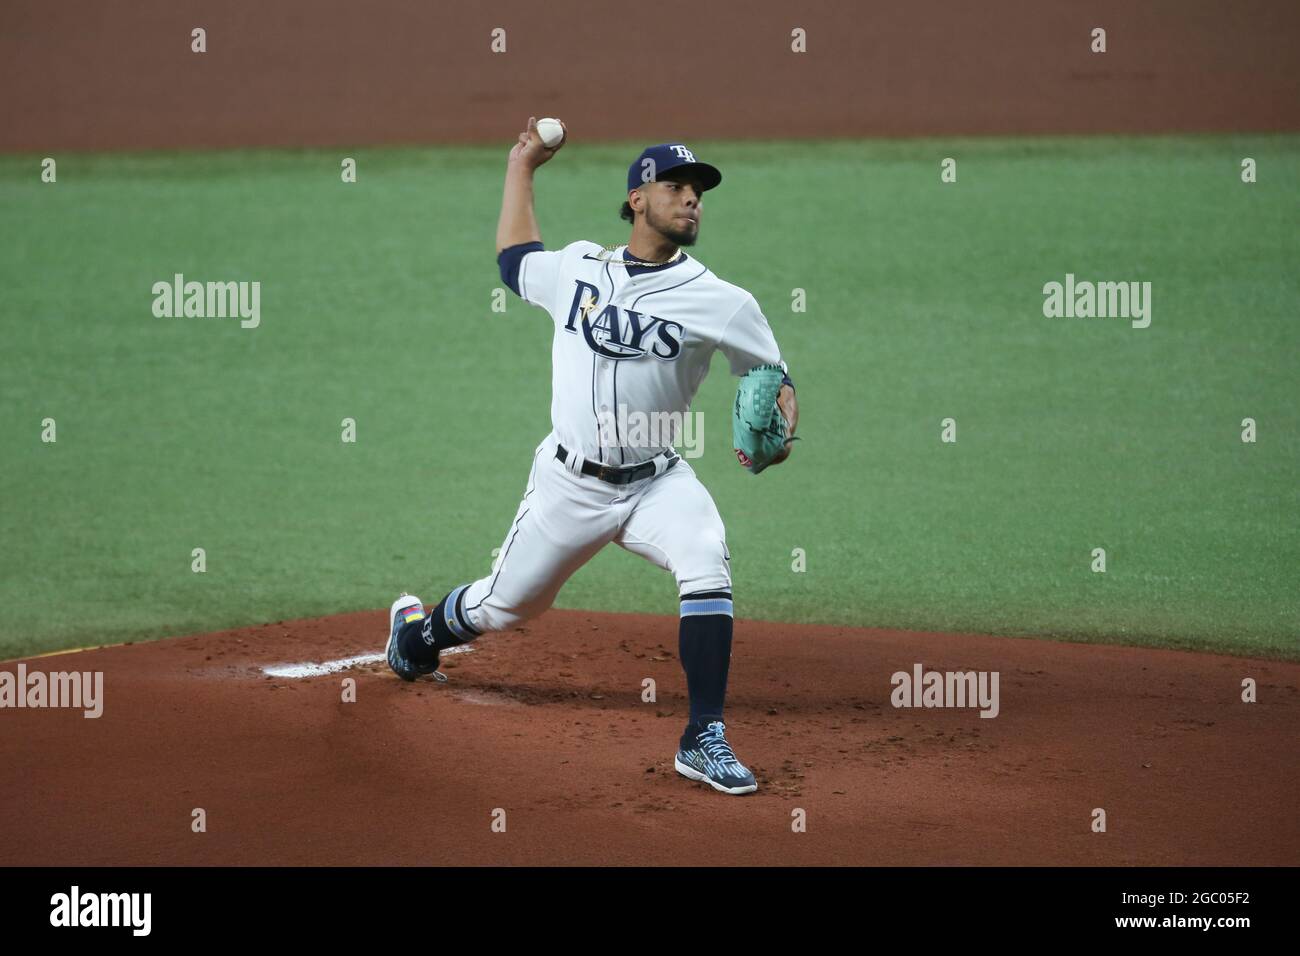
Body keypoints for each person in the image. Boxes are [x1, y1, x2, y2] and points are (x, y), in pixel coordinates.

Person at [385, 117, 799, 795]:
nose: (693, 198)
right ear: (638, 198)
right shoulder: (579, 266)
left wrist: (779, 434)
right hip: (568, 487)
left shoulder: (724, 302)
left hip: (657, 483)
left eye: (699, 189)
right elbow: (515, 259)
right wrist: (522, 164)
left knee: (706, 556)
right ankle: (416, 638)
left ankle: (704, 737)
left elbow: (775, 380)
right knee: (503, 607)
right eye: (677, 186)